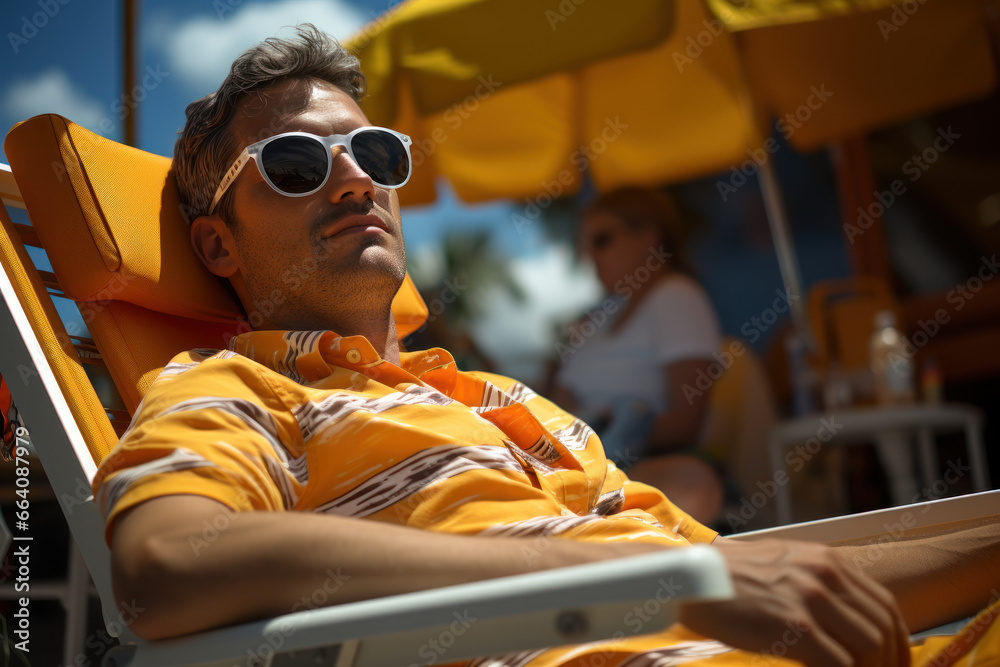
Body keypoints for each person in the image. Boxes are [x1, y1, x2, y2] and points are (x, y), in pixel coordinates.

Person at [93, 25, 1000, 666]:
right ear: (218, 244)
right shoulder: (234, 386)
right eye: (295, 164)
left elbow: (756, 580)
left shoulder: (498, 396)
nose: (356, 181)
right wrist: (659, 579)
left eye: (377, 154)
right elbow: (164, 566)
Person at [551, 187, 725, 524]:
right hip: (574, 468)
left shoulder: (677, 297)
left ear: (647, 236)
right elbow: (558, 400)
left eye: (602, 240)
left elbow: (686, 423)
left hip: (632, 465)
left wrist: (604, 432)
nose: (589, 256)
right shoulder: (601, 317)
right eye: (585, 245)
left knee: (691, 482)